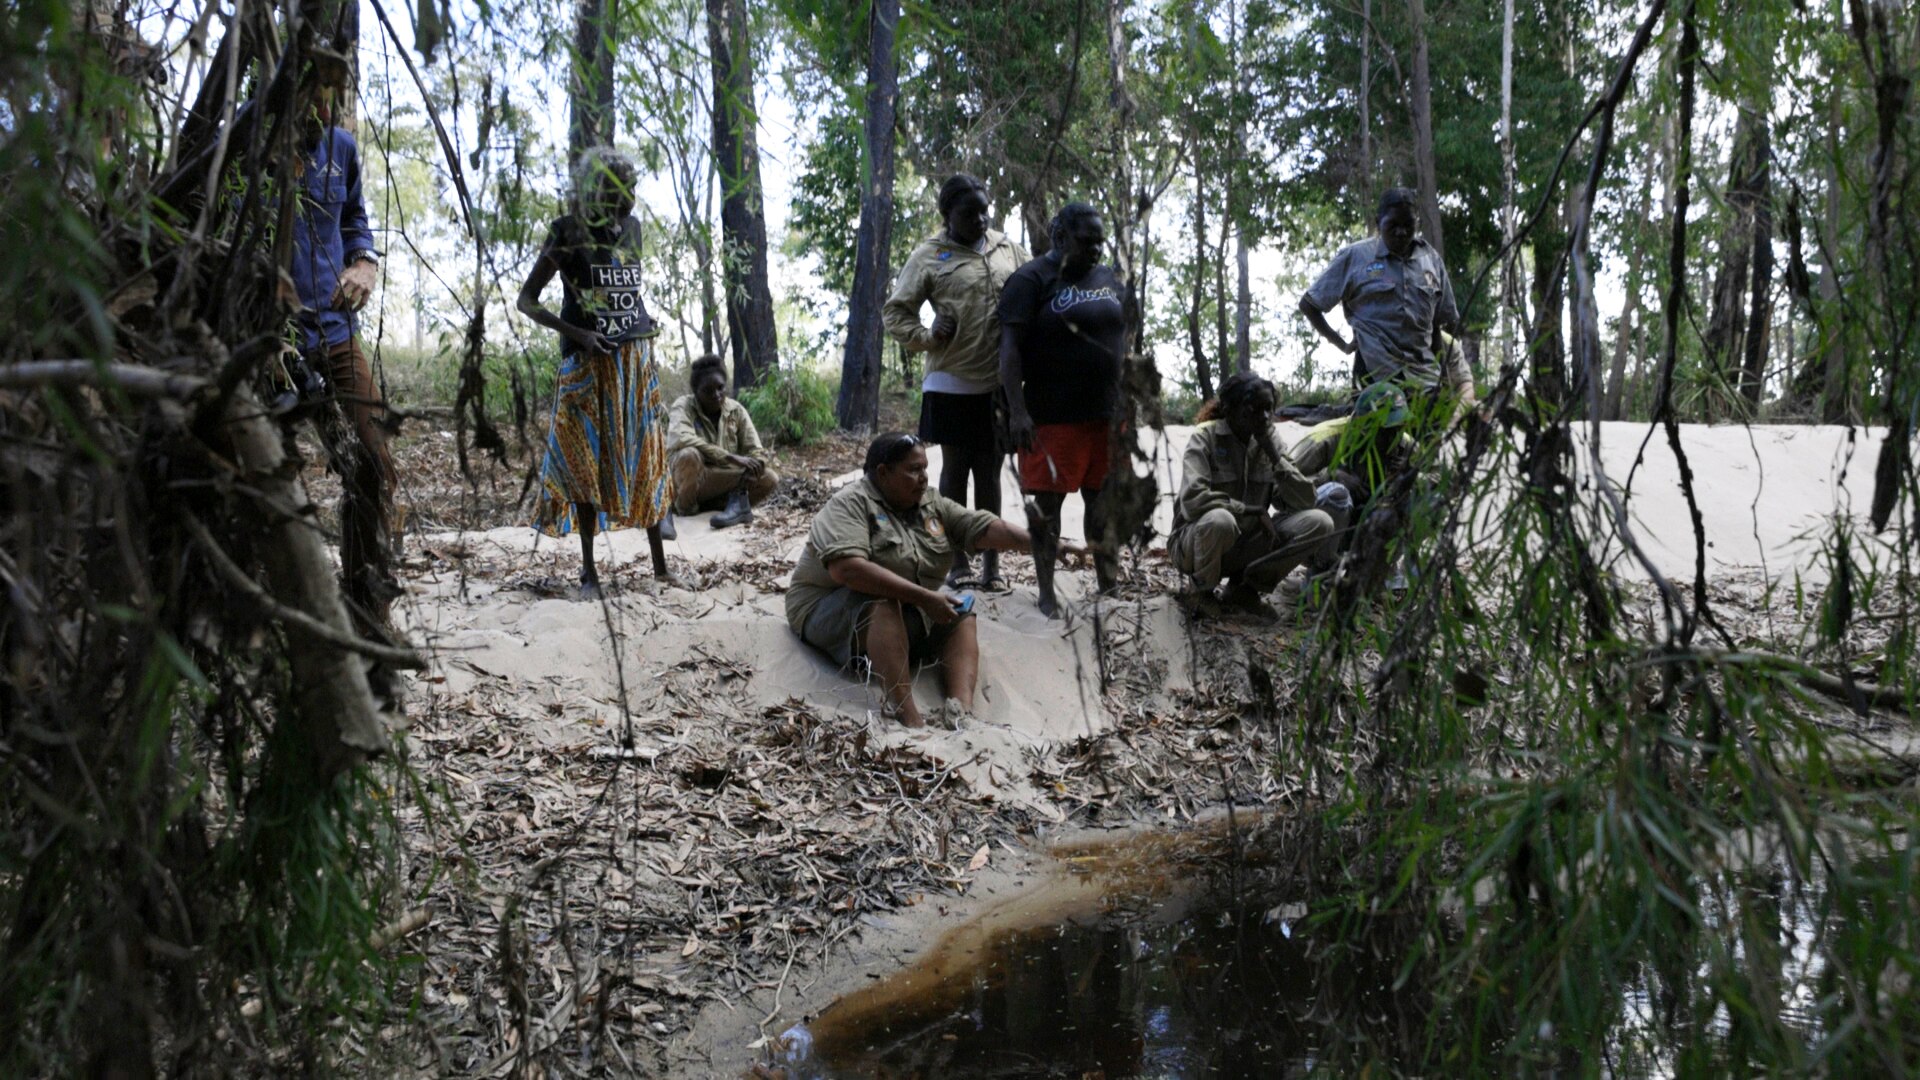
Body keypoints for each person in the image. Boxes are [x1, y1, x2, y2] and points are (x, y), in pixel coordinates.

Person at [786, 433, 1074, 729]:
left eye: (924, 468)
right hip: (825, 611)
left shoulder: (930, 501)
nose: (923, 478)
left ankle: (960, 711)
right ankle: (908, 715)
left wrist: (1046, 544)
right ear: (883, 473)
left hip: (903, 607)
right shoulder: (849, 504)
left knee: (960, 610)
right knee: (882, 604)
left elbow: (979, 526)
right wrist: (923, 598)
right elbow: (848, 570)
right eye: (913, 470)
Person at [517, 147, 673, 600]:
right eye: (619, 193)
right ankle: (589, 573)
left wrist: (642, 333)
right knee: (584, 461)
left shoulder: (633, 229)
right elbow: (527, 301)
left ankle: (659, 567)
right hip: (587, 364)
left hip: (635, 361)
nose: (629, 202)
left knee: (646, 457)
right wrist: (579, 336)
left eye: (632, 192)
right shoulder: (567, 233)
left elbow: (625, 292)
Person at [287, 49, 400, 653]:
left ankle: (364, 604)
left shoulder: (341, 147)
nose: (325, 101)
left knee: (372, 457)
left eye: (335, 89)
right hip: (268, 338)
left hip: (334, 331)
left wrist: (363, 263)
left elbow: (356, 221)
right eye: (315, 86)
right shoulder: (252, 134)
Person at [883, 174, 1028, 590]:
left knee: (990, 475)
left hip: (997, 383)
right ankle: (957, 563)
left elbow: (1033, 291)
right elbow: (896, 312)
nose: (981, 219)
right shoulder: (930, 255)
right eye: (969, 213)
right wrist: (929, 334)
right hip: (950, 383)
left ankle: (992, 568)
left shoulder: (1007, 249)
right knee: (954, 473)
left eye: (985, 210)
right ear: (947, 215)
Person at [999, 202, 1127, 616]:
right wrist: (1017, 411)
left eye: (1099, 242)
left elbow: (1123, 340)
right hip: (1051, 417)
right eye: (1086, 241)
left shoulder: (1107, 277)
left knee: (1102, 502)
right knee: (1048, 507)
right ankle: (1047, 591)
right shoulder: (1030, 279)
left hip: (1105, 415)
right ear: (1059, 237)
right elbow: (1009, 351)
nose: (1095, 249)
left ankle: (1108, 581)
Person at [1169, 372, 1334, 620]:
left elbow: (1304, 501)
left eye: (1269, 409)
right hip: (1195, 543)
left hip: (1245, 542)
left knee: (1320, 522)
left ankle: (1244, 590)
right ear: (1230, 409)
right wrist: (1249, 509)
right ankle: (1201, 592)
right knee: (1220, 520)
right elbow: (1193, 501)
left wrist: (1275, 456)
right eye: (1254, 409)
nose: (1264, 417)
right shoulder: (1205, 437)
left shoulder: (1269, 440)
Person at [1299, 187, 1475, 411]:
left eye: (1408, 225)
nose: (1401, 232)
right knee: (1383, 442)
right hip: (1376, 381)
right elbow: (1309, 304)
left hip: (1425, 383)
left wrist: (1442, 379)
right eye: (1393, 225)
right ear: (1378, 223)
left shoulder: (1431, 260)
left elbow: (1439, 323)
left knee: (1431, 444)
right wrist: (1341, 344)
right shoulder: (1356, 257)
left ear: (1417, 224)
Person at [666, 354, 776, 529]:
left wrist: (757, 464)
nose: (716, 395)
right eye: (708, 391)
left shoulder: (736, 410)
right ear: (696, 392)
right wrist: (729, 457)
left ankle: (725, 507)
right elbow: (681, 438)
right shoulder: (683, 406)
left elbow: (756, 449)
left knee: (769, 478)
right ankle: (684, 508)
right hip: (691, 477)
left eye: (720, 388)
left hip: (718, 478)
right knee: (689, 455)